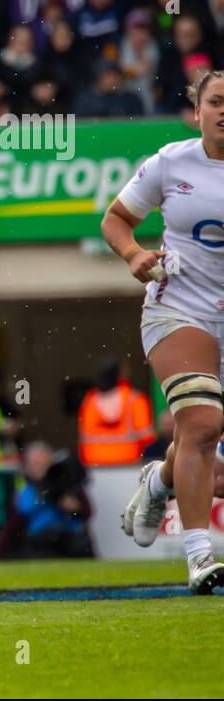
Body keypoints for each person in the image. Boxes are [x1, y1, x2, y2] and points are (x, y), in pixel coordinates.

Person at [106, 70, 224, 593]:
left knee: (202, 442)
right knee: (202, 425)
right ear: (197, 110)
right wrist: (133, 255)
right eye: (217, 101)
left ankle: (158, 482)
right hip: (180, 307)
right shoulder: (170, 161)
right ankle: (201, 558)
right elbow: (116, 219)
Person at [0, 441, 93, 562]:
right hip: (39, 546)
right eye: (34, 464)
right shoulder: (25, 491)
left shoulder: (67, 482)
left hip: (69, 542)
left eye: (42, 464)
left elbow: (87, 513)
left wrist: (75, 509)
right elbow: (12, 526)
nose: (38, 469)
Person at [76, 357, 155, 468]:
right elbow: (147, 438)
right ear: (121, 375)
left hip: (95, 468)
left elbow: (83, 437)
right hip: (129, 467)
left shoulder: (90, 401)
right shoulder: (135, 400)